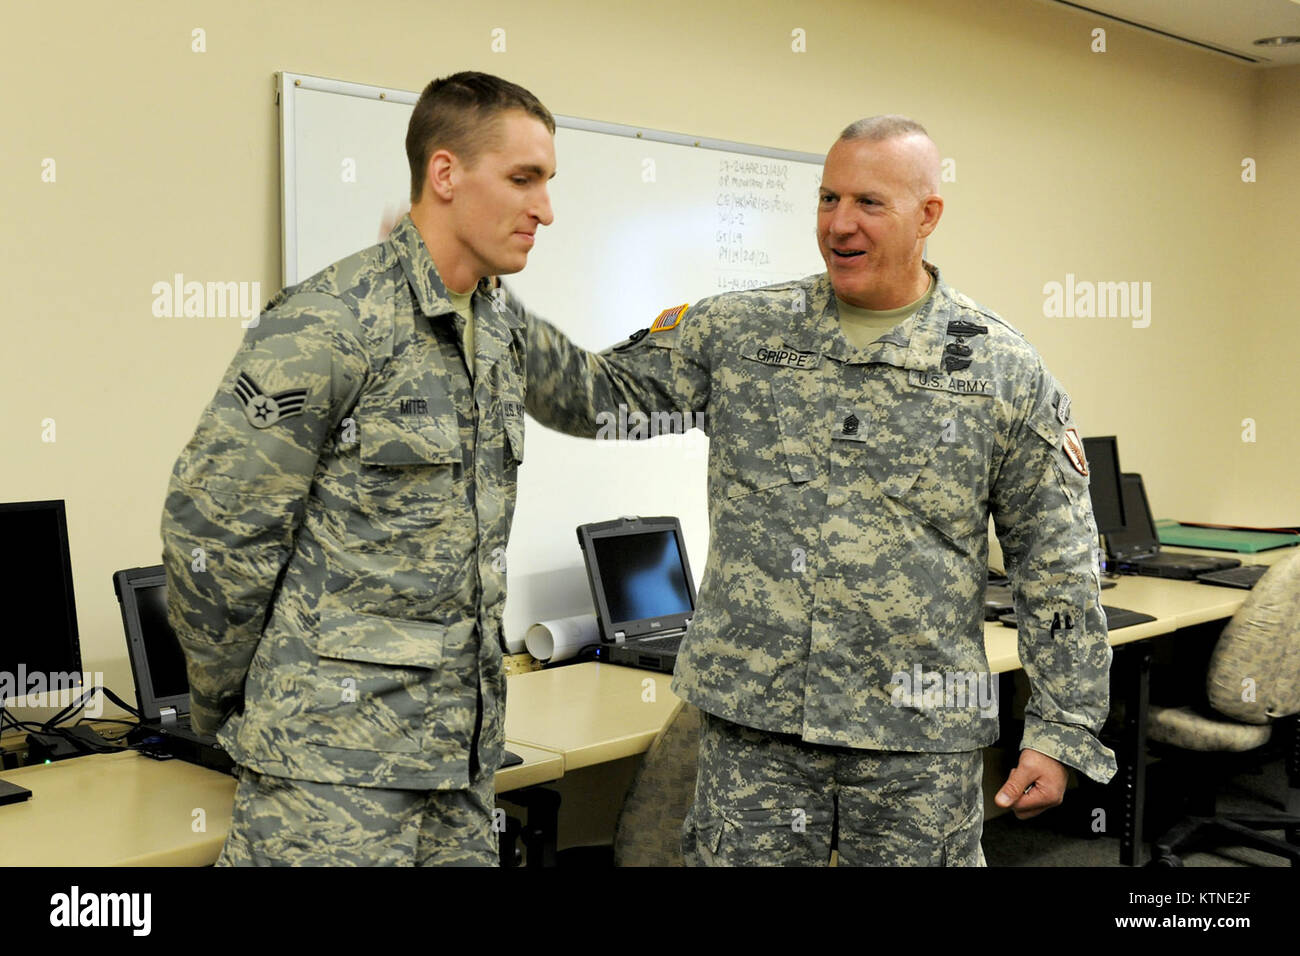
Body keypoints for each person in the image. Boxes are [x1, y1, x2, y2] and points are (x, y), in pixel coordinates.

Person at [519, 115, 1117, 865]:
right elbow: (595, 399)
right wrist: (482, 302)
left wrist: (1062, 731)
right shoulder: (740, 333)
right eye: (828, 199)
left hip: (916, 747)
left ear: (928, 215)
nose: (839, 224)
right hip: (756, 741)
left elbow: (1056, 566)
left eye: (869, 203)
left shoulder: (998, 370)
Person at [161, 71, 557, 866]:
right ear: (444, 174)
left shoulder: (494, 336)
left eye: (547, 183)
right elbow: (215, 532)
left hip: (460, 769)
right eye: (524, 180)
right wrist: (228, 700)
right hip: (329, 781)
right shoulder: (331, 320)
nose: (544, 209)